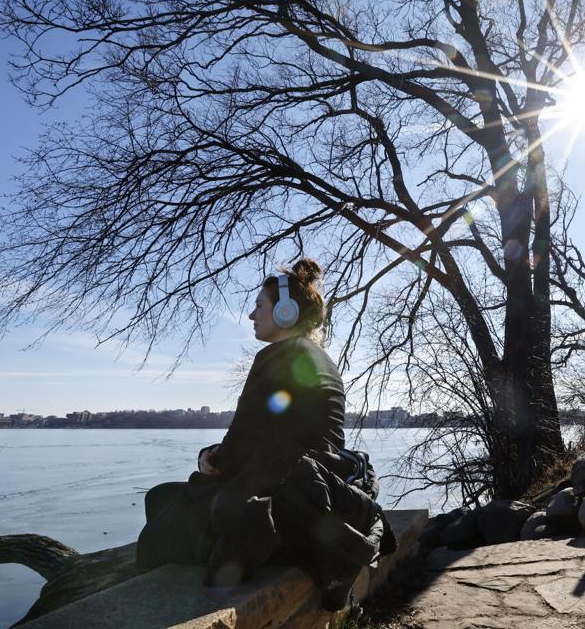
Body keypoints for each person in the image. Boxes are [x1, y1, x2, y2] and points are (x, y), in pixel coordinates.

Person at [136, 258, 394, 609]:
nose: (251, 315)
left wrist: (207, 459)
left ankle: (153, 605)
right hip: (320, 499)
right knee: (172, 500)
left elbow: (237, 446)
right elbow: (282, 437)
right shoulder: (323, 360)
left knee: (159, 498)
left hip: (282, 507)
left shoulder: (275, 356)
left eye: (259, 306)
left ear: (286, 312)